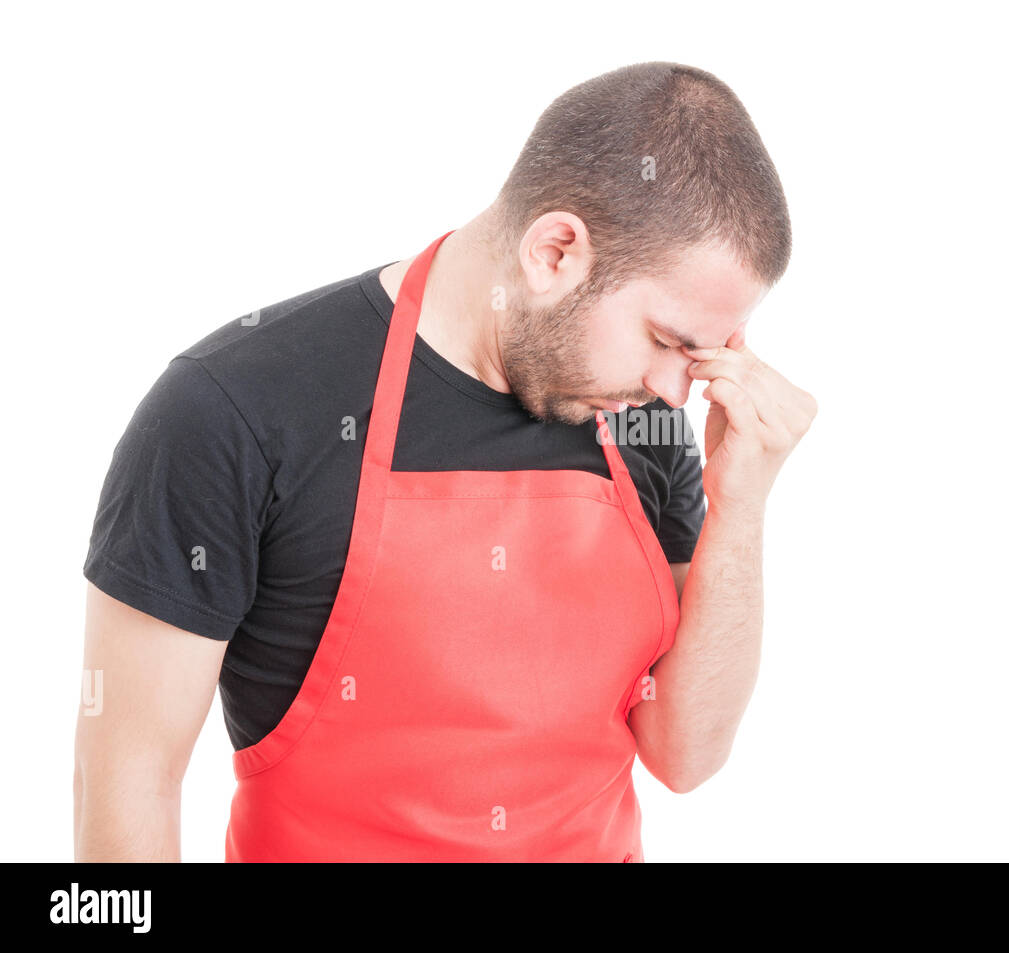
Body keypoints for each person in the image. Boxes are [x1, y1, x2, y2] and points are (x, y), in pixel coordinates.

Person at [74, 61, 817, 862]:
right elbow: (130, 783)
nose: (678, 393)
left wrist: (742, 503)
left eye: (705, 356)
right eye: (669, 342)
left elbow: (686, 754)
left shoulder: (645, 423)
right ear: (555, 251)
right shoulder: (232, 409)